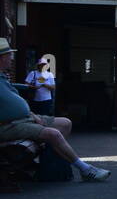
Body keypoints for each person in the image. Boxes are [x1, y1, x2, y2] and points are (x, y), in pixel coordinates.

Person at [0, 38, 110, 181]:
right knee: (54, 134)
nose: (11, 58)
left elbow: (14, 101)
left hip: (24, 117)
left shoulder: (3, 77)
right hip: (8, 125)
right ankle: (85, 169)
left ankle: (51, 166)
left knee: (65, 123)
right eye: (9, 55)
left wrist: (31, 114)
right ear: (2, 58)